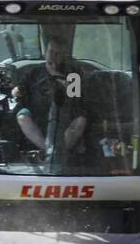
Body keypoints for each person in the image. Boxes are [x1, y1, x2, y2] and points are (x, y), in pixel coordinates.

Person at [12, 35, 87, 166]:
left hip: (66, 113)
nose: (53, 56)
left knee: (81, 120)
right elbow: (18, 89)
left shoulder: (73, 72)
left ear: (63, 55)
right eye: (51, 52)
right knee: (22, 116)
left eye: (57, 53)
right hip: (36, 113)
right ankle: (48, 150)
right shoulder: (33, 72)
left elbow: (74, 97)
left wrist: (56, 74)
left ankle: (61, 152)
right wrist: (16, 91)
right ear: (45, 52)